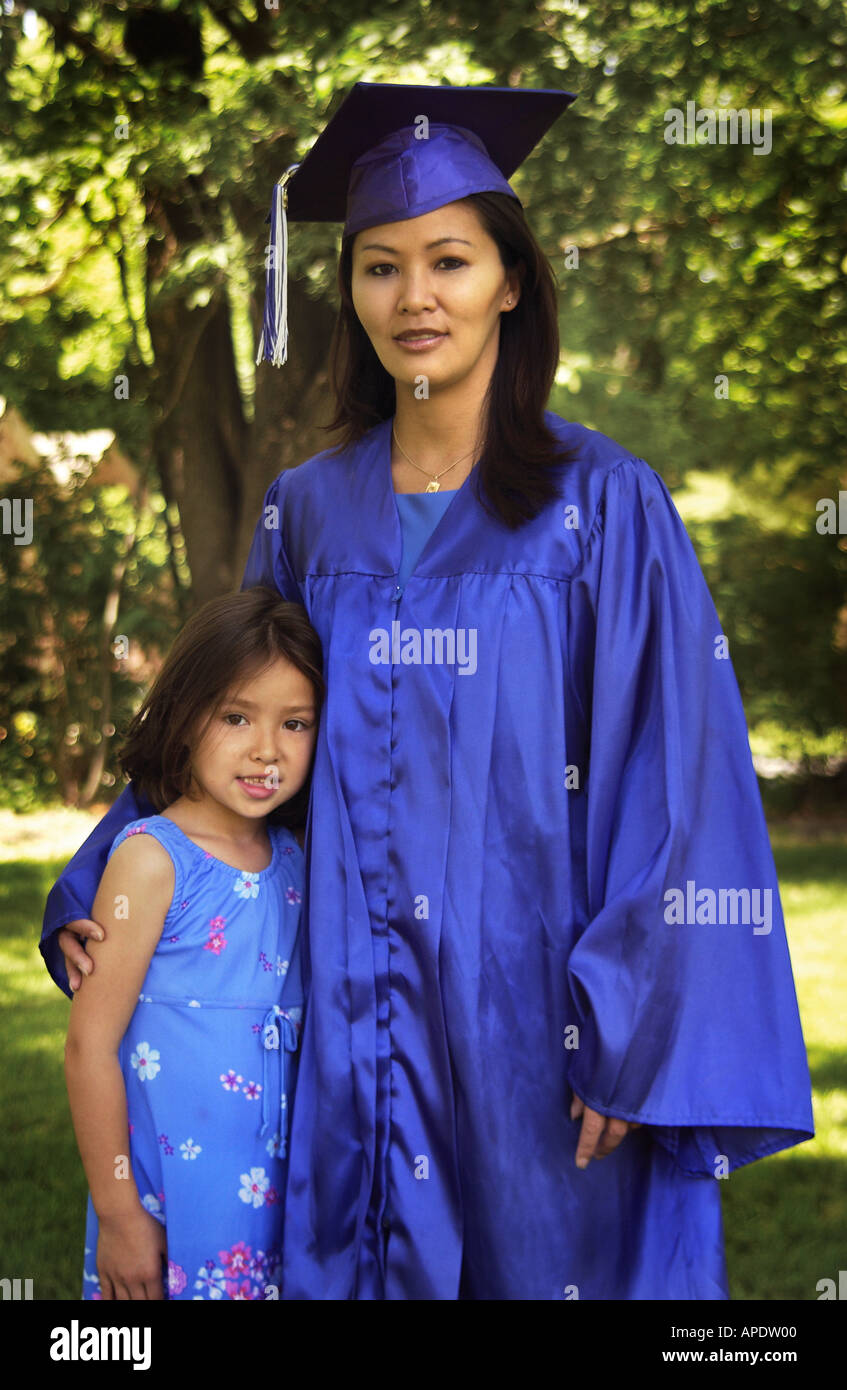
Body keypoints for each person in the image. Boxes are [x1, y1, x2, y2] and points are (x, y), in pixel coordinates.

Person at [44, 82, 814, 1301]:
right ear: (348, 292)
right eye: (380, 267)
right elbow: (232, 727)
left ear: (510, 279)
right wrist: (99, 889)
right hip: (348, 1013)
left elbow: (679, 780)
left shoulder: (606, 506)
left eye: (449, 261)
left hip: (538, 1023)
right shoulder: (310, 508)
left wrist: (623, 1020)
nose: (414, 298)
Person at [62, 587, 323, 1299]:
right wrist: (119, 1214)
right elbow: (89, 1046)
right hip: (169, 1206)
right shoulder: (152, 860)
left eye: (295, 724)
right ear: (183, 716)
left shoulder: (302, 860)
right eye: (236, 716)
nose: (266, 749)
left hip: (274, 1203)